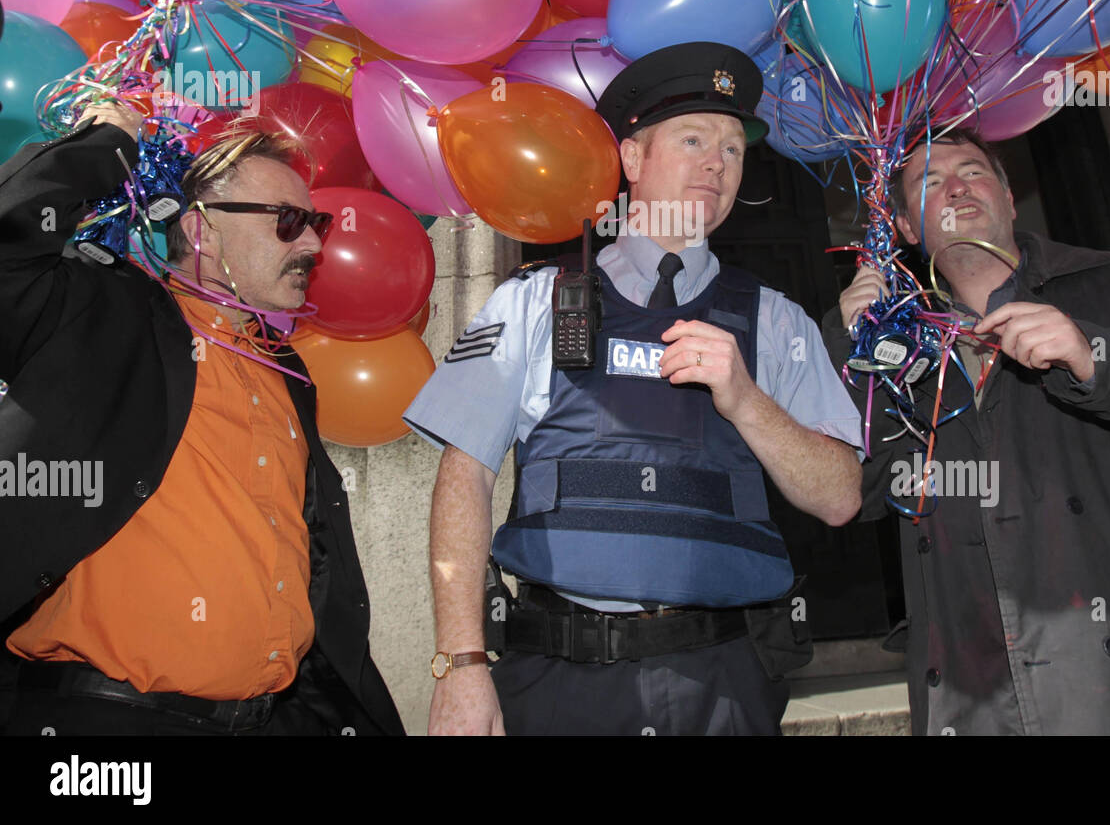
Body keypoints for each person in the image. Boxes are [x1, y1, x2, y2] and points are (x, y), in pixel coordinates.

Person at [405, 42, 864, 736]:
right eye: (693, 139)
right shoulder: (535, 302)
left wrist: (746, 399)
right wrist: (462, 663)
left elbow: (839, 497)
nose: (717, 163)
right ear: (632, 160)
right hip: (562, 680)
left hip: (725, 683)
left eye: (735, 148)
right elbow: (463, 478)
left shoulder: (776, 321)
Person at [824, 129, 1110, 735]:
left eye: (973, 170)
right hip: (983, 702)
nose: (957, 188)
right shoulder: (887, 339)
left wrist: (1098, 356)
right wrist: (850, 347)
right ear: (907, 230)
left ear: (1009, 197)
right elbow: (856, 491)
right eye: (929, 181)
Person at [0, 102, 402, 736]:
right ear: (202, 232)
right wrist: (107, 143)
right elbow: (8, 237)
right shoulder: (107, 317)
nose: (314, 243)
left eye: (317, 222)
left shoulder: (285, 370)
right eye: (290, 222)